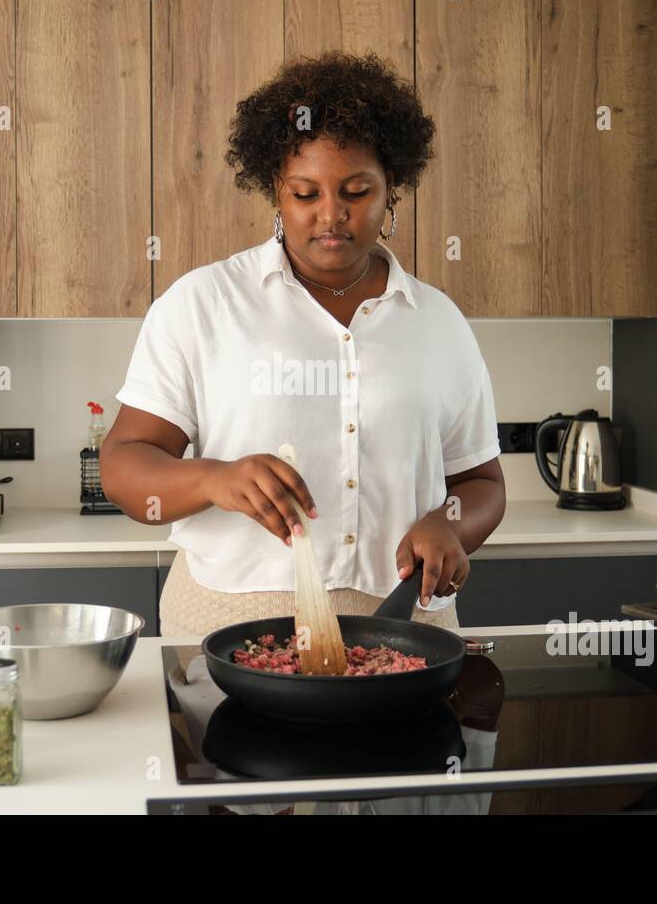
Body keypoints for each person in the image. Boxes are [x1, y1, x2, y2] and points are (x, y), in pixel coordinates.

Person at [101, 51, 505, 637]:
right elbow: (123, 465)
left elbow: (482, 484)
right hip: (232, 620)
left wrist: (450, 524)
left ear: (392, 188)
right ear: (275, 191)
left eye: (357, 191)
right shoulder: (203, 304)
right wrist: (213, 478)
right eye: (305, 193)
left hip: (405, 622)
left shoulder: (438, 322)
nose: (332, 217)